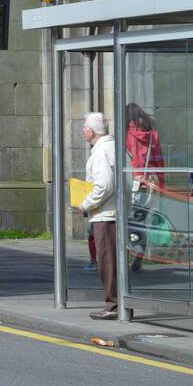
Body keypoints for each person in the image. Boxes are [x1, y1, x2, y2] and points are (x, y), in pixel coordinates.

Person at [79, 112, 119, 320]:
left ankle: (112, 306)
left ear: (91, 131)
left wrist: (85, 203)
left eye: (85, 127)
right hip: (115, 212)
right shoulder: (114, 147)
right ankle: (117, 303)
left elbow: (104, 185)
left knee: (107, 261)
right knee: (112, 260)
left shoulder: (100, 151)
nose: (83, 130)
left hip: (105, 215)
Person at [124, 103, 164, 273]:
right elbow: (158, 158)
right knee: (140, 221)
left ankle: (133, 251)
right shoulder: (152, 132)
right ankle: (139, 253)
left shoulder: (126, 132)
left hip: (131, 182)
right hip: (149, 183)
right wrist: (161, 182)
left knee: (127, 221)